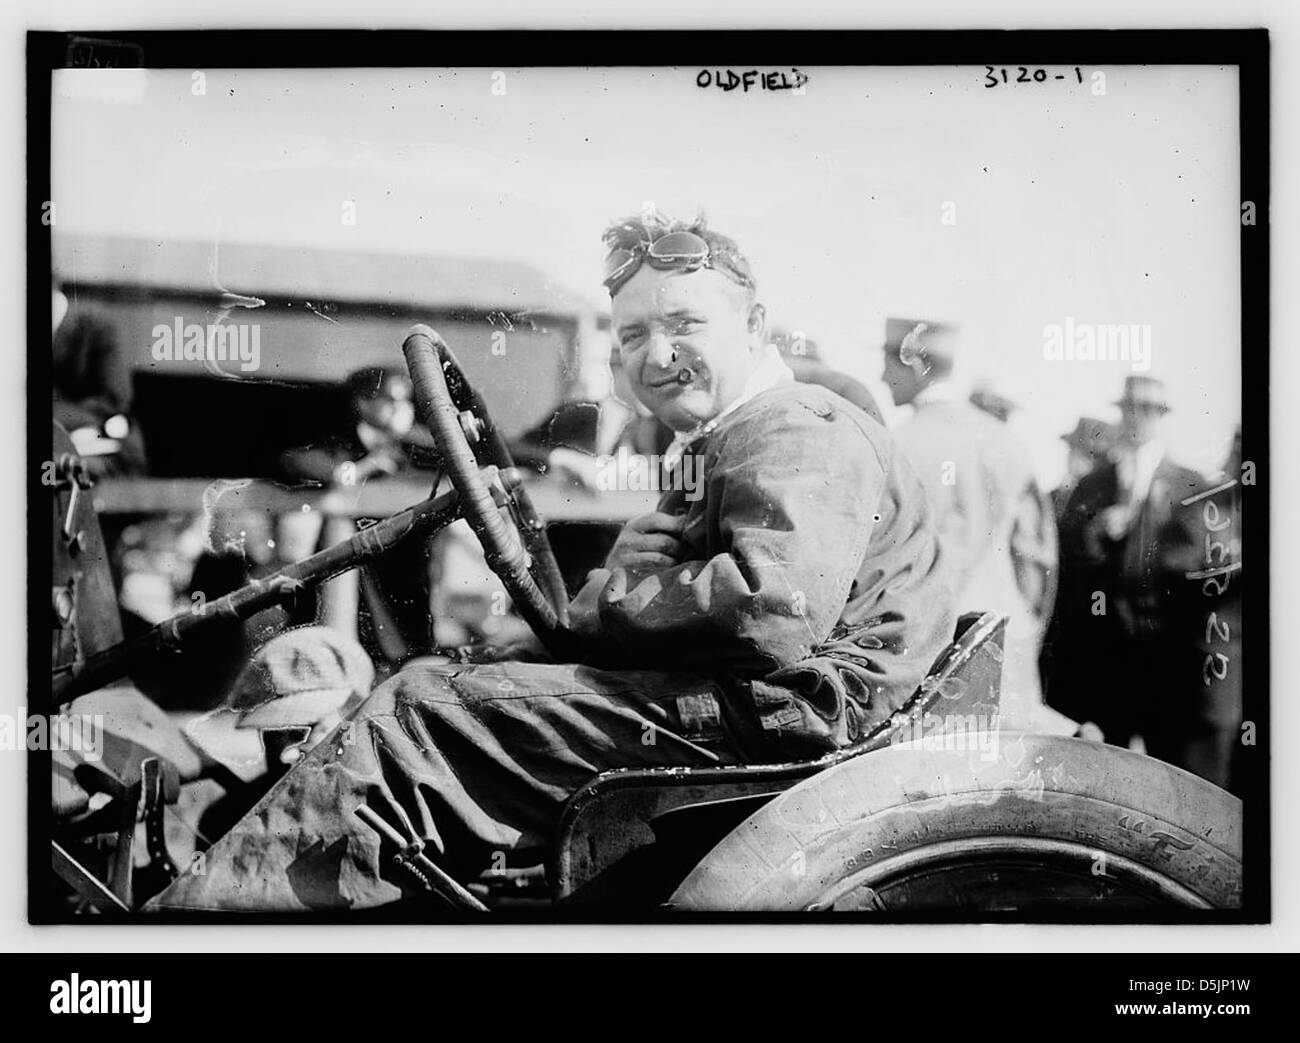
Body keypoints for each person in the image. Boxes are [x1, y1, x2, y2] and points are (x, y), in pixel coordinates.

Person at [149, 208, 955, 911]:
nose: (657, 353)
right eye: (633, 333)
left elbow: (768, 613)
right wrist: (617, 593)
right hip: (752, 697)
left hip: (786, 714)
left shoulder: (794, 427)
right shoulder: (720, 440)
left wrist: (616, 596)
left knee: (416, 719)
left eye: (685, 324)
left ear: (754, 325)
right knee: (432, 679)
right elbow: (666, 586)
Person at [880, 318, 1058, 730]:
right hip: (1008, 645)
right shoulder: (1007, 443)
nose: (882, 376)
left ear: (913, 365)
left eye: (890, 363)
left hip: (933, 656)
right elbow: (1038, 562)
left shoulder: (899, 443)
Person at [1044, 376, 1203, 760]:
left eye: (1148, 410)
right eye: (1131, 409)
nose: (1138, 419)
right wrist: (1094, 533)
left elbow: (1195, 569)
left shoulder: (1190, 486)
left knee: (1169, 771)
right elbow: (1069, 561)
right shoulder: (1093, 485)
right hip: (1105, 658)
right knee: (1110, 767)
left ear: (1161, 416)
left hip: (1164, 656)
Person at [1051, 416, 1117, 518]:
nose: (1072, 457)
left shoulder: (1102, 500)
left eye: (1080, 452)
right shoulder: (1058, 495)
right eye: (1072, 449)